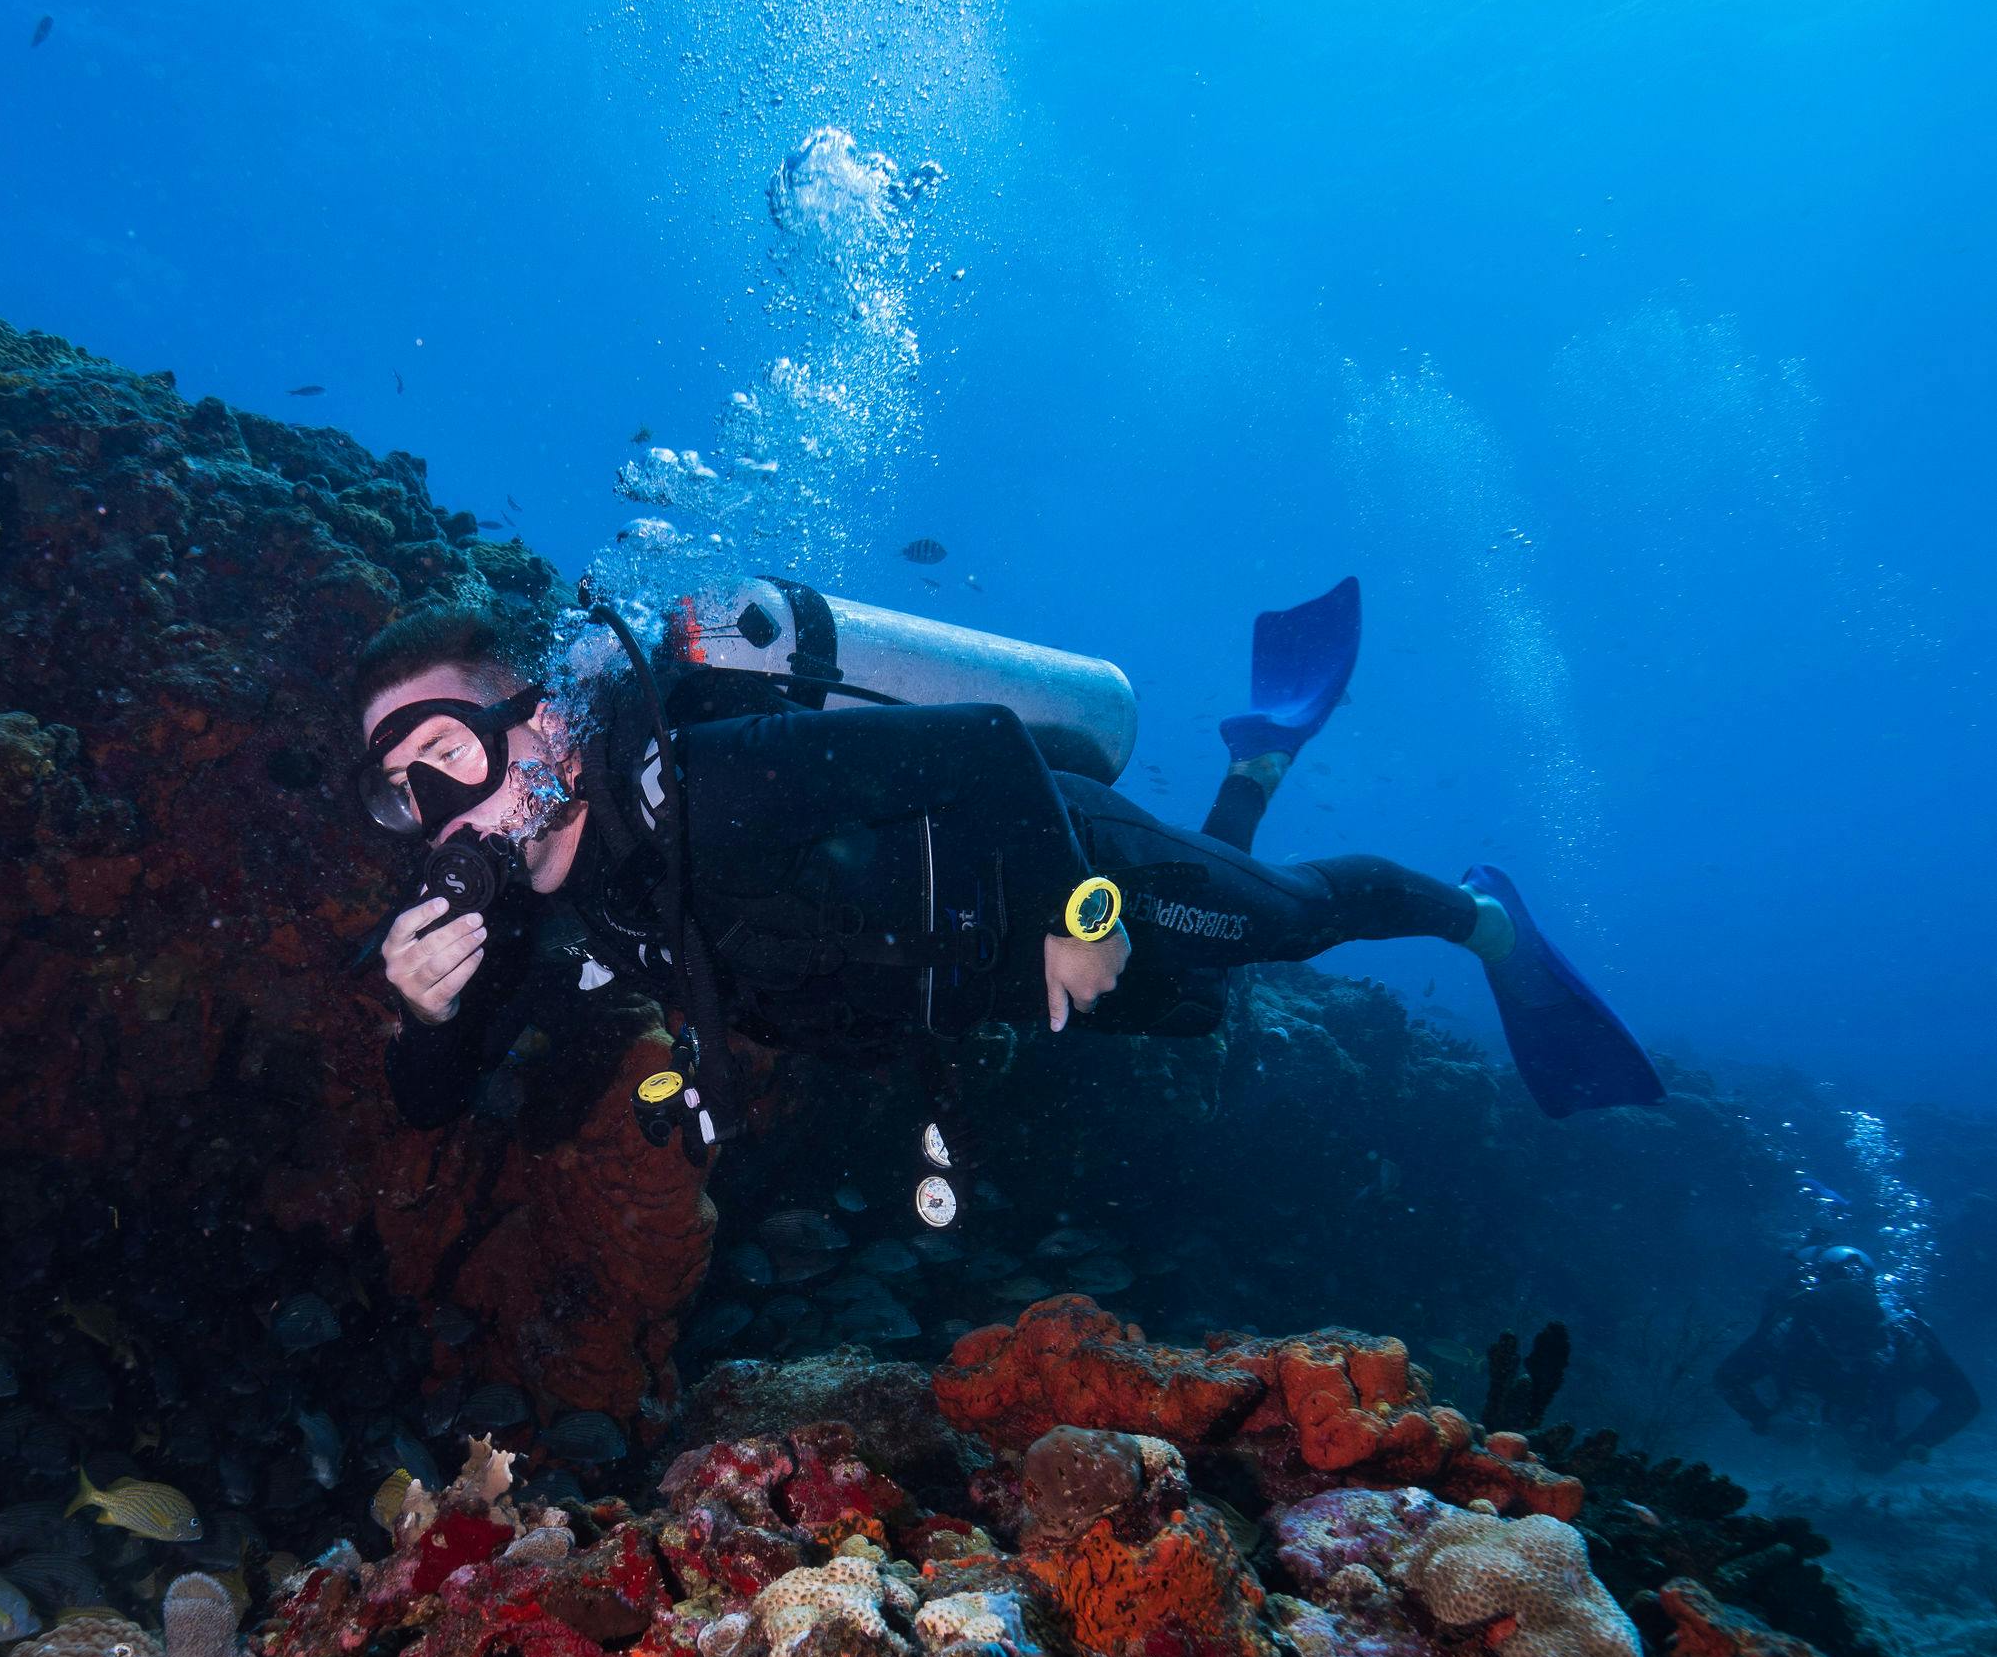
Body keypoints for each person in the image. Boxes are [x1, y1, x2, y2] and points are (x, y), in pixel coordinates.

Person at [350, 577, 1663, 1193]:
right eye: (399, 790)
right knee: (1195, 1006)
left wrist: (1075, 914)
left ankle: (1484, 920)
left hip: (1056, 866)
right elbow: (430, 1107)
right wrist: (424, 1016)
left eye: (449, 754)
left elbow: (977, 741)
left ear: (549, 730)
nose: (434, 811)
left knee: (1282, 931)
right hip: (981, 982)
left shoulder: (722, 782)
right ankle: (1253, 770)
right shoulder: (529, 918)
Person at [1716, 1244, 1981, 1467]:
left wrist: (1906, 1448)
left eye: (1865, 1344)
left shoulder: (1904, 1336)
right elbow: (1729, 1377)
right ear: (1818, 1329)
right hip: (1810, 1389)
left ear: (1881, 1326)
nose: (1851, 1357)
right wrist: (1766, 1421)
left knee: (1876, 1436)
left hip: (1873, 1404)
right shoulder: (1792, 1329)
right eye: (1845, 1344)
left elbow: (1963, 1402)